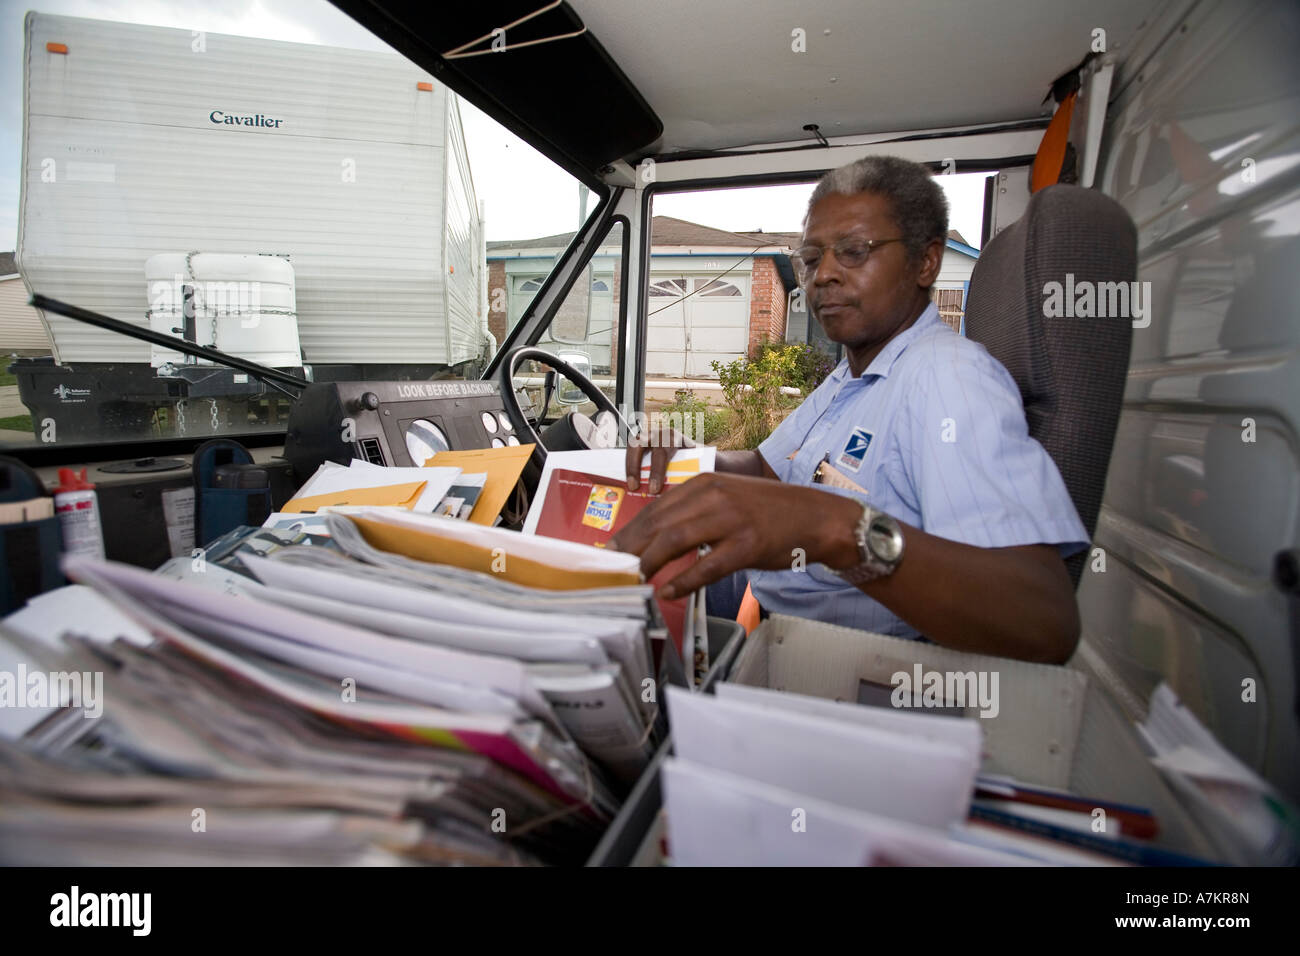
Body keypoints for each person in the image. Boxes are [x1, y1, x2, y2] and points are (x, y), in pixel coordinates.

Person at [610, 155, 1088, 664]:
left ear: (926, 263)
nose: (824, 277)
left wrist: (835, 528)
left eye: (854, 252)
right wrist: (694, 457)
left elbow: (1044, 622)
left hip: (841, 664)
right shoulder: (853, 372)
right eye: (812, 259)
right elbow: (769, 468)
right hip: (764, 610)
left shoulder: (949, 381)